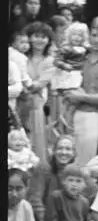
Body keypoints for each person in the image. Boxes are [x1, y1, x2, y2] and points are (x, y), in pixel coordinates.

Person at [63, 17, 98, 165]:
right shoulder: (80, 58)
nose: (95, 40)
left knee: (84, 159)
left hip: (91, 115)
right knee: (65, 154)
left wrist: (82, 97)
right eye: (93, 35)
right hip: (70, 111)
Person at [25, 21, 56, 164]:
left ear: (49, 40)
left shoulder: (51, 61)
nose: (39, 40)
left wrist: (21, 86)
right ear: (29, 37)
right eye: (36, 36)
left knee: (37, 143)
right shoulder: (20, 57)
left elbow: (38, 85)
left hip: (37, 107)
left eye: (43, 37)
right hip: (16, 104)